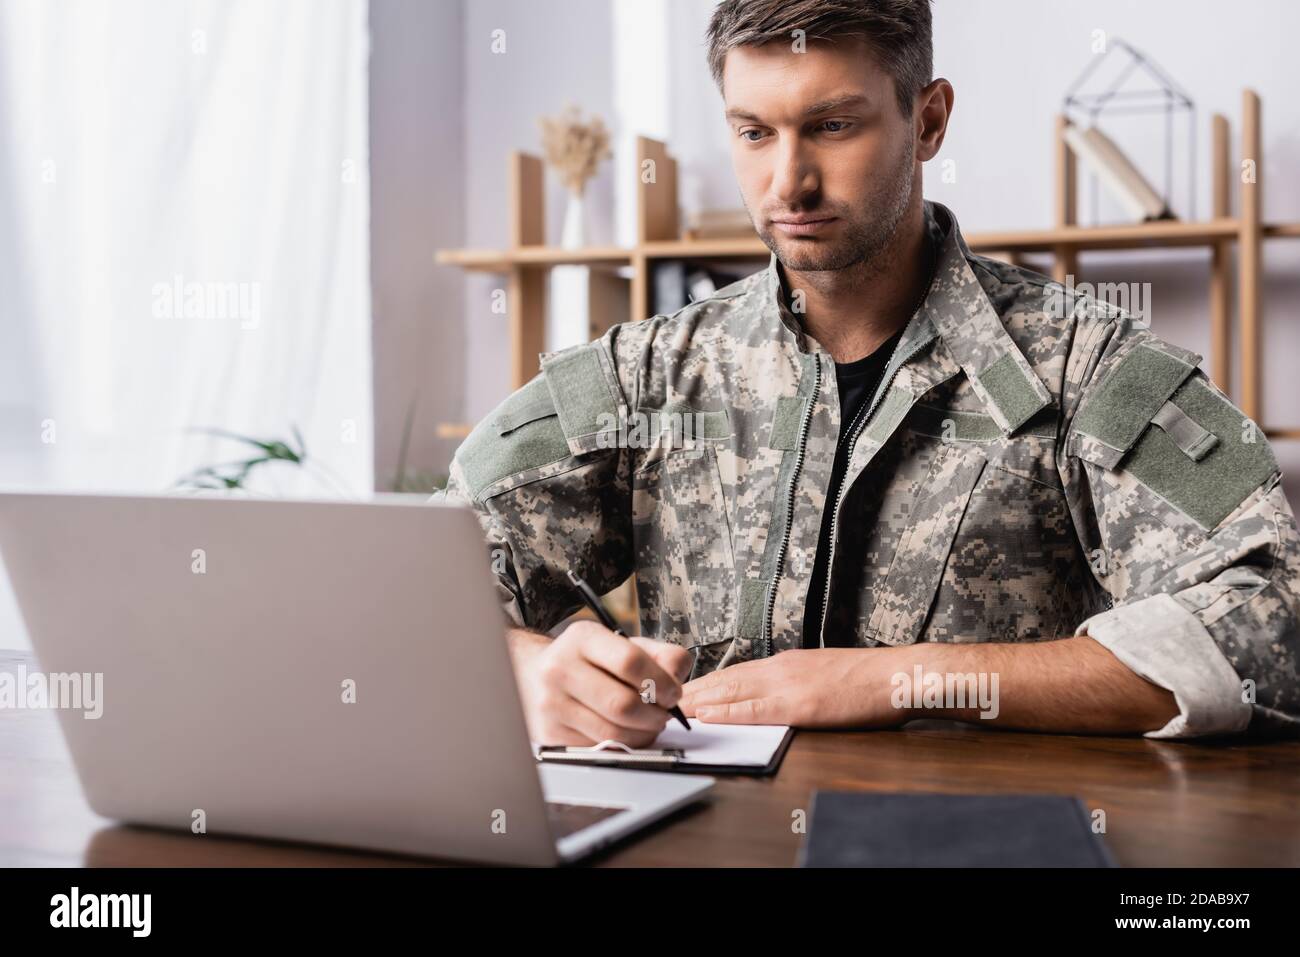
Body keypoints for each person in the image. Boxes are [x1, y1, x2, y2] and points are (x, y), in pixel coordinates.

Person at [435, 0, 1299, 747]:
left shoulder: (1086, 366)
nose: (789, 182)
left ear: (928, 121)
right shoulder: (648, 374)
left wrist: (901, 680)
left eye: (832, 126)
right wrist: (532, 670)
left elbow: (1276, 622)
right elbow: (417, 577)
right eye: (754, 133)